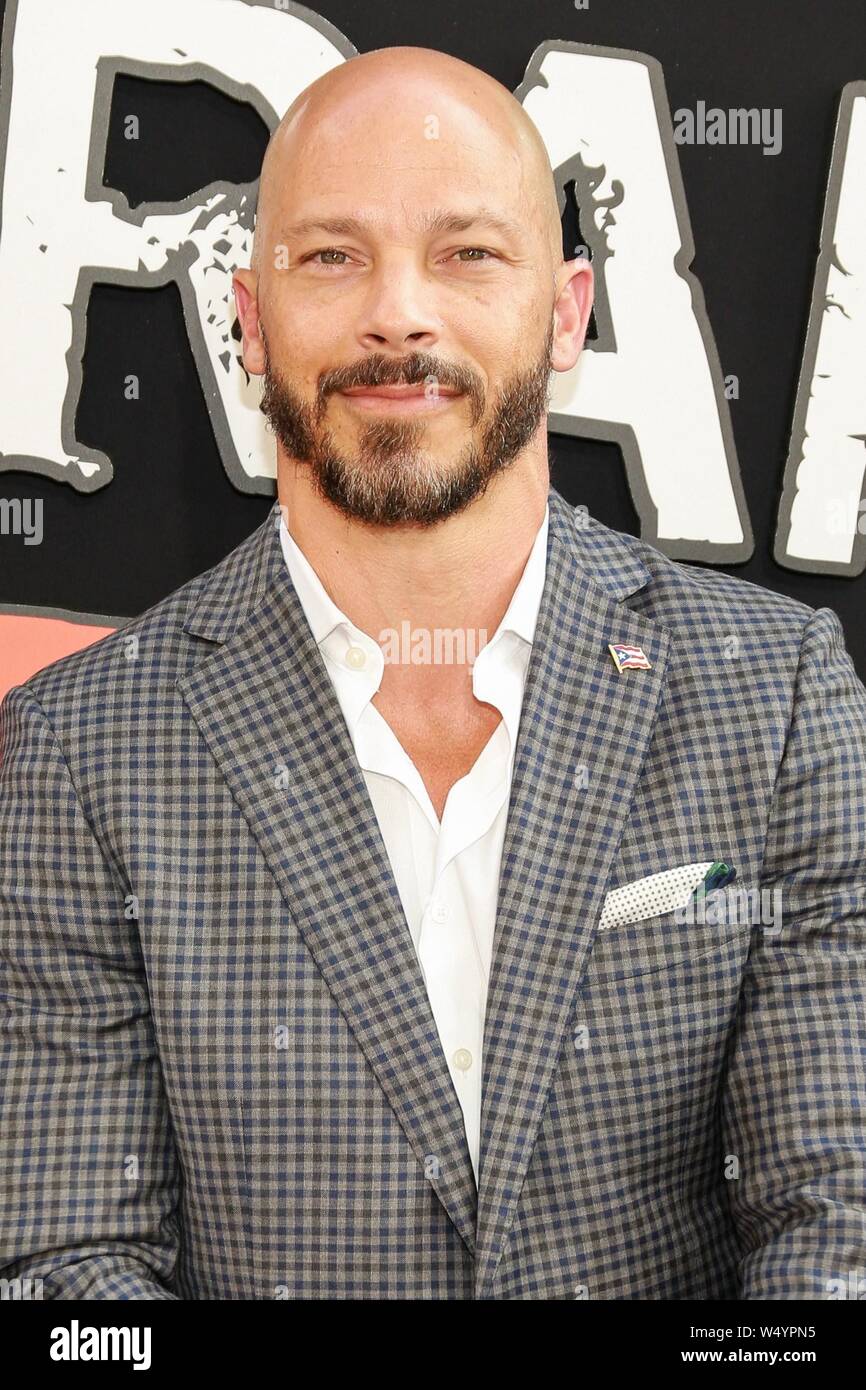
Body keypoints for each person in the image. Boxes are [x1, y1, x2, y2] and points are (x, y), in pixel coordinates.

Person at [1, 46, 864, 1301]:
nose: (396, 315)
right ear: (247, 317)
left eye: (465, 252)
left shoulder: (774, 696)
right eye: (330, 256)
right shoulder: (76, 751)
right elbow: (64, 1273)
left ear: (565, 314)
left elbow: (836, 1215)